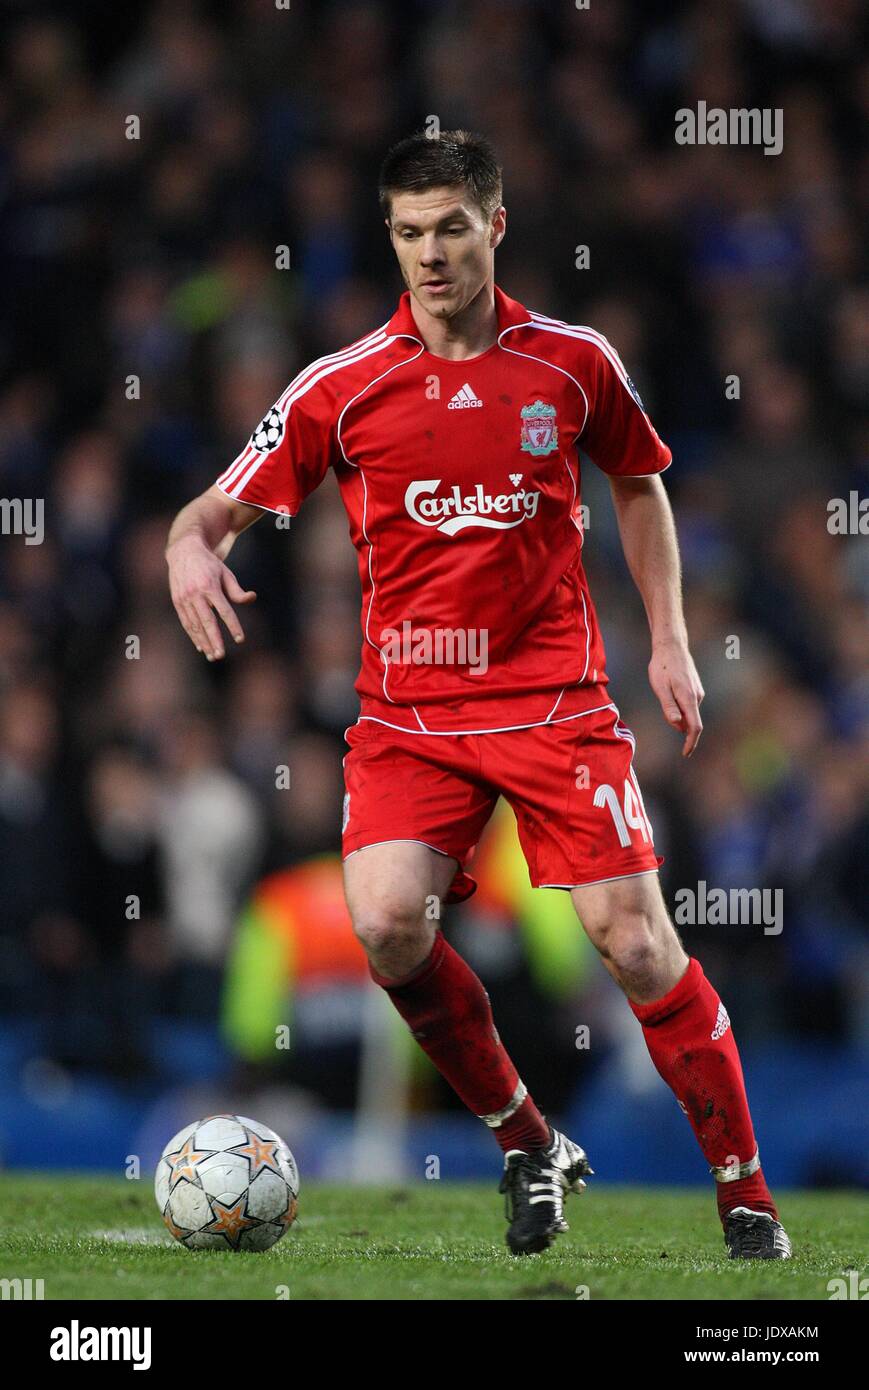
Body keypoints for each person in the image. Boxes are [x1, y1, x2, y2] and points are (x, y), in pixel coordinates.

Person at [165, 130, 790, 1259]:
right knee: (386, 922)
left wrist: (670, 642)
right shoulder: (342, 386)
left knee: (636, 945)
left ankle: (745, 1197)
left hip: (555, 700)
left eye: (451, 226)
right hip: (409, 717)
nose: (430, 253)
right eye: (408, 232)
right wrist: (188, 551)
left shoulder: (571, 362)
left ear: (493, 226)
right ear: (390, 238)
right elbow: (205, 514)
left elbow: (639, 486)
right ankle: (527, 1141)